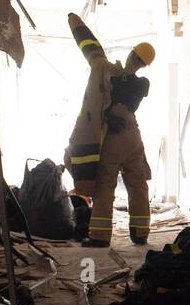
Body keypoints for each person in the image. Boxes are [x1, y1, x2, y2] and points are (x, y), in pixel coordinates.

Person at [63, 13, 155, 247]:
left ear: (131, 54)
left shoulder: (112, 75)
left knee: (105, 183)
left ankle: (100, 236)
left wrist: (75, 23)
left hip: (115, 136)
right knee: (137, 182)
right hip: (133, 136)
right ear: (145, 64)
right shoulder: (142, 84)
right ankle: (140, 233)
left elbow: (92, 52)